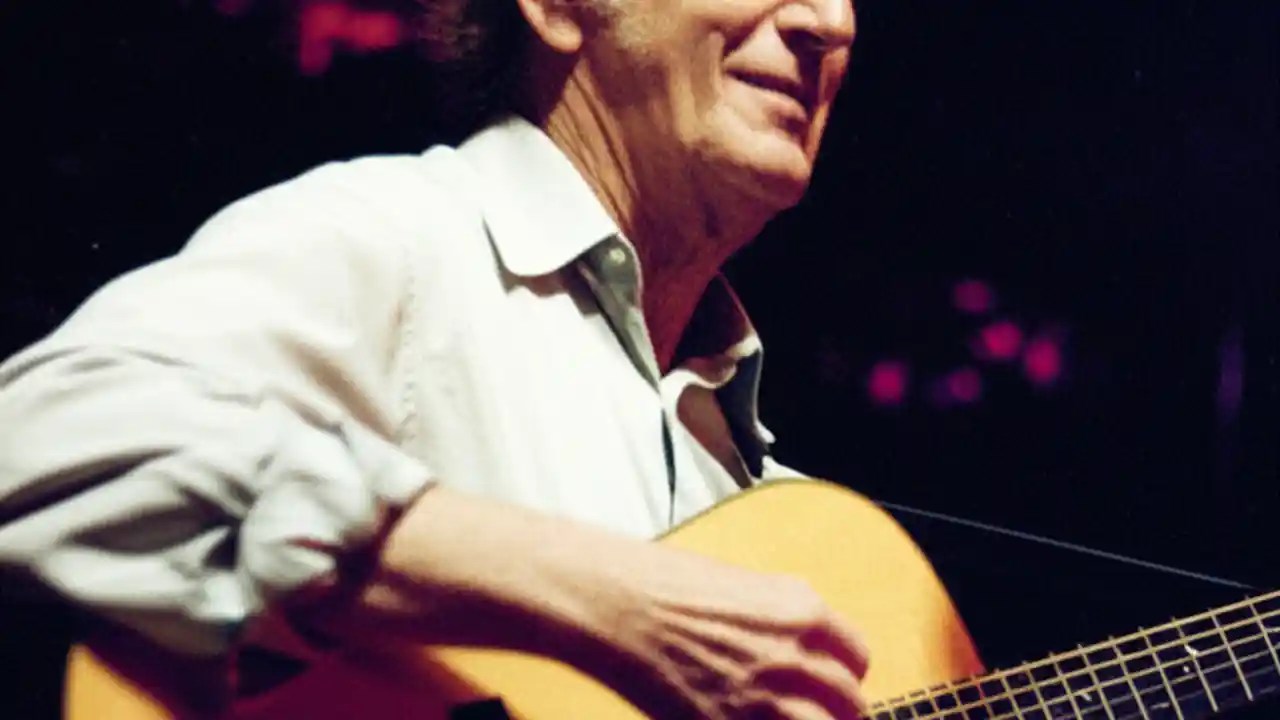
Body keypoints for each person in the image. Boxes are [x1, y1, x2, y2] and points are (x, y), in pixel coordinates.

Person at [0, 0, 869, 717]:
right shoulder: (402, 241)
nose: (828, 23)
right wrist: (620, 605)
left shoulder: (763, 503)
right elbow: (35, 436)